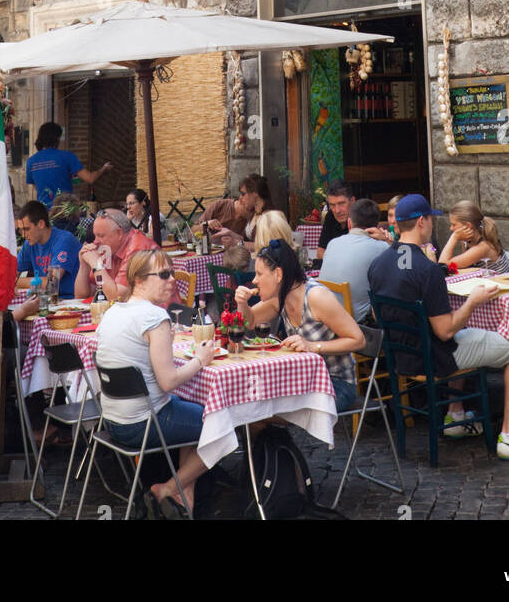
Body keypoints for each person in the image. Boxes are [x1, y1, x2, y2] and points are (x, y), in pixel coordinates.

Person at [367, 194, 509, 460]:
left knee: (469, 335)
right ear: (422, 221)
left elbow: (378, 316)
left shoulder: (378, 264)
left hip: (400, 357)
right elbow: (445, 331)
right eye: (432, 220)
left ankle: (456, 415)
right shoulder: (427, 270)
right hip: (433, 357)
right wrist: (472, 302)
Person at [95, 248, 212, 517]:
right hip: (144, 424)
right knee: (222, 422)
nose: (172, 280)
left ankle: (186, 496)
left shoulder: (113, 312)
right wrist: (201, 359)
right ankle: (168, 489)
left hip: (113, 420)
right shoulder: (154, 317)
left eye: (171, 273)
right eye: (164, 275)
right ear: (139, 280)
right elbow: (169, 381)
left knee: (191, 406)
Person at [235, 239, 363, 411]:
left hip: (336, 384)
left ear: (278, 274)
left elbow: (358, 340)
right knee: (249, 401)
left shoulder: (316, 297)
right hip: (304, 378)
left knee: (260, 410)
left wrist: (312, 346)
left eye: (259, 274)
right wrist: (242, 304)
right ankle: (273, 438)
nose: (255, 280)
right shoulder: (280, 298)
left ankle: (273, 436)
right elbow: (249, 323)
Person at [319, 198, 390, 321]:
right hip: (358, 324)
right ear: (377, 226)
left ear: (349, 223)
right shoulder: (382, 247)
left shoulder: (332, 243)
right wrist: (388, 242)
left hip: (326, 318)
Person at [74, 208, 156, 303]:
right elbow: (81, 296)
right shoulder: (107, 248)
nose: (95, 241)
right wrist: (84, 266)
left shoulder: (137, 248)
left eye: (101, 236)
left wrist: (96, 264)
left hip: (155, 314)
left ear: (119, 233)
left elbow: (116, 297)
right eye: (95, 235)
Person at [24, 122, 112, 208]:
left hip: (44, 213)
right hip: (65, 211)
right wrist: (103, 169)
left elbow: (39, 187)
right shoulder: (67, 156)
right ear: (56, 138)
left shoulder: (31, 162)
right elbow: (90, 178)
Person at [15, 200, 81, 299]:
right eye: (21, 230)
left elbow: (51, 283)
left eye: (26, 229)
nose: (23, 235)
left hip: (71, 301)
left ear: (41, 224)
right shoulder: (29, 244)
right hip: (47, 301)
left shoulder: (64, 240)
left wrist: (15, 282)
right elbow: (10, 273)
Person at [438, 200, 509, 275]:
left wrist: (454, 237)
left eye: (454, 224)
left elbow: (442, 265)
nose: (451, 228)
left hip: (501, 284)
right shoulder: (467, 241)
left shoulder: (483, 247)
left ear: (468, 226)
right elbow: (464, 267)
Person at [316, 181, 356, 260]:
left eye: (341, 203)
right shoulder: (330, 216)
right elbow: (320, 252)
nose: (337, 210)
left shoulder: (362, 219)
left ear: (352, 201)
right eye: (332, 205)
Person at [238, 175, 272, 244]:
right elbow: (246, 240)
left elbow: (265, 246)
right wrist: (229, 234)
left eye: (243, 194)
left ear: (255, 193)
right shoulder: (253, 213)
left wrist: (238, 243)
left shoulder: (269, 216)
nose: (240, 198)